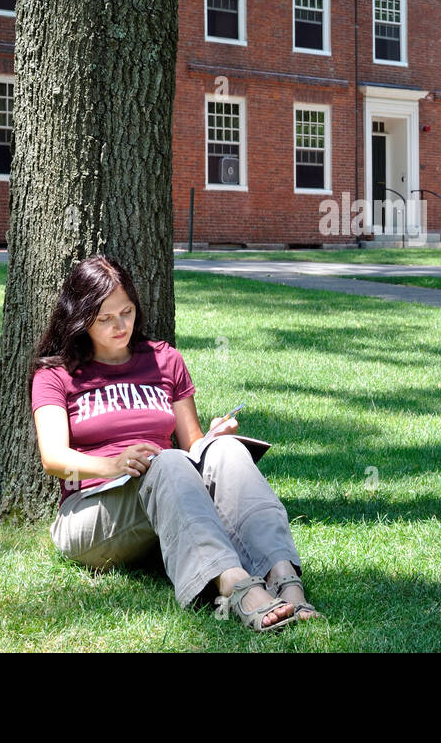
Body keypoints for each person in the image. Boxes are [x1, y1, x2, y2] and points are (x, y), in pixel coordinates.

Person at [30, 255, 319, 632]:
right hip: (93, 514)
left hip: (163, 497)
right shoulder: (57, 374)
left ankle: (283, 577)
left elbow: (192, 444)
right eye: (105, 318)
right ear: (80, 317)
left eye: (127, 312)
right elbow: (53, 459)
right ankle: (236, 587)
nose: (121, 326)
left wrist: (213, 439)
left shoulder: (165, 360)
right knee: (164, 462)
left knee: (226, 451)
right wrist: (114, 464)